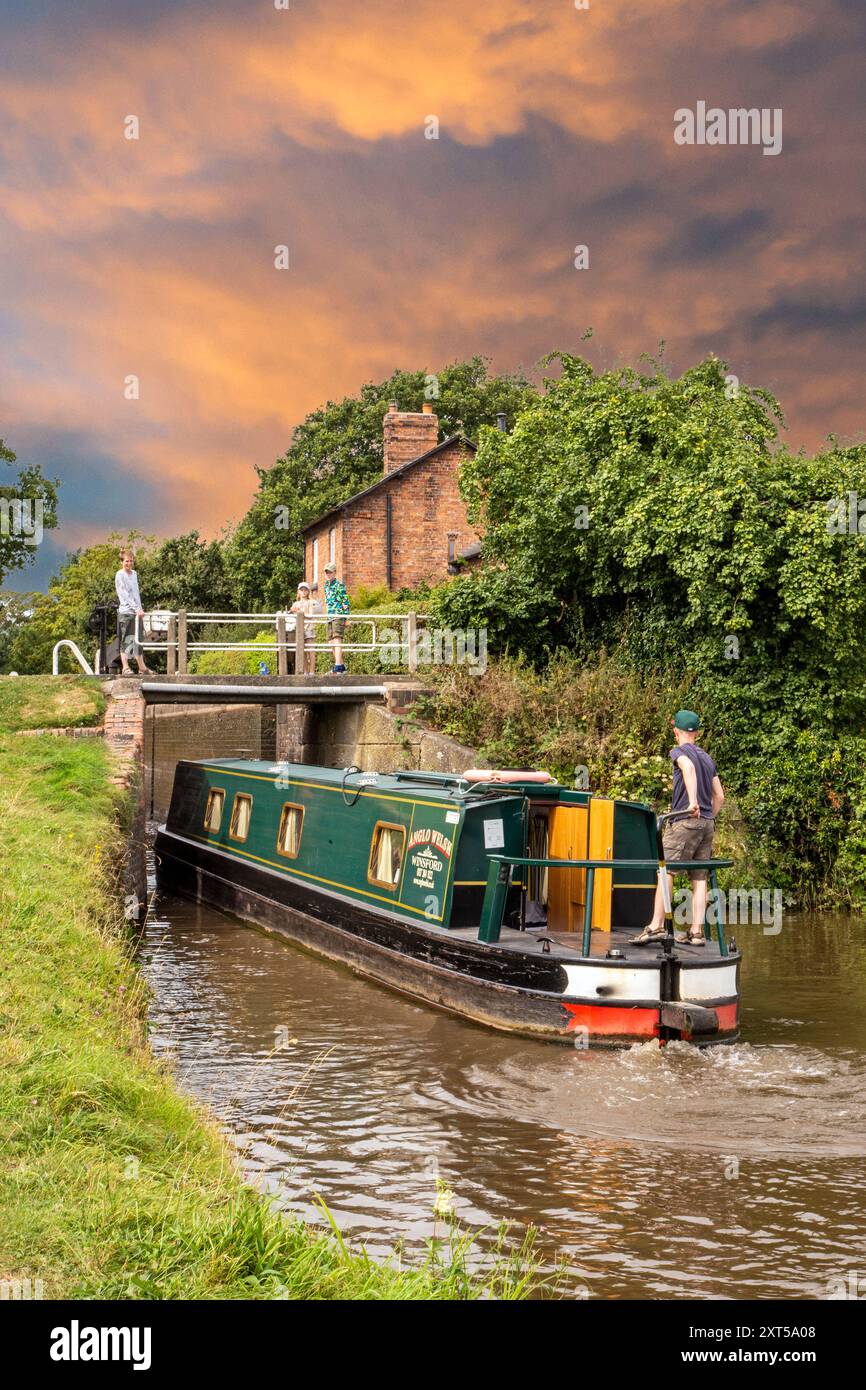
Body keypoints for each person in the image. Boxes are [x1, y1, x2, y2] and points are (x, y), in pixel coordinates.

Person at [632, 709, 724, 948]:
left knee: (667, 871)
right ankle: (696, 933)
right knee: (700, 877)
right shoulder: (707, 758)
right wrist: (707, 817)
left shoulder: (678, 751)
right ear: (698, 733)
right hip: (707, 824)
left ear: (676, 731)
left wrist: (692, 803)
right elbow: (720, 797)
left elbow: (688, 769)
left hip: (685, 820)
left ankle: (656, 926)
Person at [114, 548, 151, 675]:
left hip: (137, 612)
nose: (129, 563)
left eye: (131, 561)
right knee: (126, 639)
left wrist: (139, 609)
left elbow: (136, 593)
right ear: (122, 562)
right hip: (126, 612)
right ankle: (125, 667)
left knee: (138, 639)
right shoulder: (120, 574)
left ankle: (142, 668)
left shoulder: (134, 574)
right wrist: (136, 609)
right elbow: (125, 594)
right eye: (126, 561)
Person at [323, 561, 349, 673]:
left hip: (338, 615)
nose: (328, 574)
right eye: (326, 572)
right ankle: (341, 666)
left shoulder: (340, 585)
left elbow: (345, 601)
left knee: (337, 639)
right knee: (331, 642)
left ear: (334, 573)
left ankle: (338, 666)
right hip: (329, 616)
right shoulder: (326, 586)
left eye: (330, 572)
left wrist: (346, 617)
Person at [289, 581, 320, 674]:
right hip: (299, 629)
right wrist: (292, 612)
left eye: (305, 590)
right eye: (301, 590)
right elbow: (291, 616)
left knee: (311, 651)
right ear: (298, 591)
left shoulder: (310, 602)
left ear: (308, 592)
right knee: (302, 651)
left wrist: (299, 612)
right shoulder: (295, 603)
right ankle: (305, 671)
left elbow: (310, 615)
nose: (303, 591)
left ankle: (312, 671)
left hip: (309, 628)